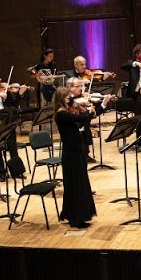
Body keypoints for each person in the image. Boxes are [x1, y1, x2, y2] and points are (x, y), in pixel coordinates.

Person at [54, 86, 99, 228]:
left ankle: (77, 215)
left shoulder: (67, 111)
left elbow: (80, 121)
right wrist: (88, 113)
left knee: (81, 184)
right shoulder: (61, 114)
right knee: (75, 185)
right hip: (71, 153)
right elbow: (79, 118)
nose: (71, 99)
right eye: (68, 97)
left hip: (76, 151)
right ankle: (76, 218)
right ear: (61, 98)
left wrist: (94, 110)